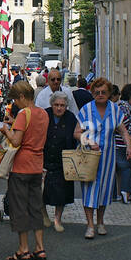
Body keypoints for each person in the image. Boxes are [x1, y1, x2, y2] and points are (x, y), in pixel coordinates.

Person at [74, 77, 131, 239]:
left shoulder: (114, 110)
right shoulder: (86, 109)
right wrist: (88, 141)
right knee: (89, 191)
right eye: (97, 92)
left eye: (104, 92)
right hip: (88, 156)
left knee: (104, 191)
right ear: (92, 93)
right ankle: (90, 225)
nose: (100, 95)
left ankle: (100, 222)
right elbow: (76, 133)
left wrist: (129, 146)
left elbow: (123, 131)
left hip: (108, 157)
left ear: (109, 93)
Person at [1, 80, 48, 260]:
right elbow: (33, 132)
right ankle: (40, 248)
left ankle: (23, 249)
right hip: (37, 166)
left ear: (22, 97)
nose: (15, 104)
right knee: (36, 207)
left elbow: (16, 140)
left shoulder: (23, 113)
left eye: (16, 100)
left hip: (21, 167)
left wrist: (6, 130)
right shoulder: (43, 113)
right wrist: (16, 123)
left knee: (20, 207)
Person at [42, 90, 78, 233]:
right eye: (56, 105)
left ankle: (57, 219)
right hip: (45, 156)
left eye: (62, 105)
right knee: (41, 190)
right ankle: (44, 214)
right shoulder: (45, 114)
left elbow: (77, 134)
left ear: (66, 106)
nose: (59, 108)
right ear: (52, 105)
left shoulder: (71, 118)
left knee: (61, 192)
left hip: (63, 159)